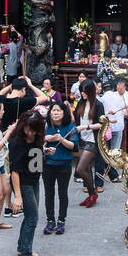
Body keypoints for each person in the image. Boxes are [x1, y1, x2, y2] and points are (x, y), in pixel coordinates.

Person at [8, 110, 48, 256]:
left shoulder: (37, 138)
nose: (29, 132)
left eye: (33, 129)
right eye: (27, 128)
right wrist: (17, 196)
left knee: (31, 216)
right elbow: (15, 171)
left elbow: (33, 158)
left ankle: (22, 247)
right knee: (32, 218)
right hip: (23, 183)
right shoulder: (17, 142)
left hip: (34, 179)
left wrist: (44, 153)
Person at [42, 101, 79, 235]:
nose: (55, 113)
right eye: (53, 110)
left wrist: (62, 140)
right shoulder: (46, 126)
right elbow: (38, 143)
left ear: (64, 113)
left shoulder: (70, 127)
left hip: (64, 164)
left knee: (62, 193)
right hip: (48, 165)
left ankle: (61, 220)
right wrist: (46, 145)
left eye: (58, 111)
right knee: (48, 193)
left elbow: (74, 147)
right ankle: (50, 220)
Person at [73, 80, 105, 207]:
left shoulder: (98, 104)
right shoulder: (80, 103)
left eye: (85, 91)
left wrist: (85, 127)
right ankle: (91, 195)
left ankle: (93, 193)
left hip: (92, 139)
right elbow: (76, 118)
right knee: (86, 168)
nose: (82, 93)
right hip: (82, 139)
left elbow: (101, 124)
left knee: (80, 168)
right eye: (81, 91)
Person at [99, 79, 128, 181]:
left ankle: (110, 172)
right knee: (114, 150)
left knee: (107, 150)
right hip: (118, 126)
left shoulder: (102, 98)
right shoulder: (119, 97)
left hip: (107, 128)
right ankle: (112, 173)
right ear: (114, 88)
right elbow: (124, 108)